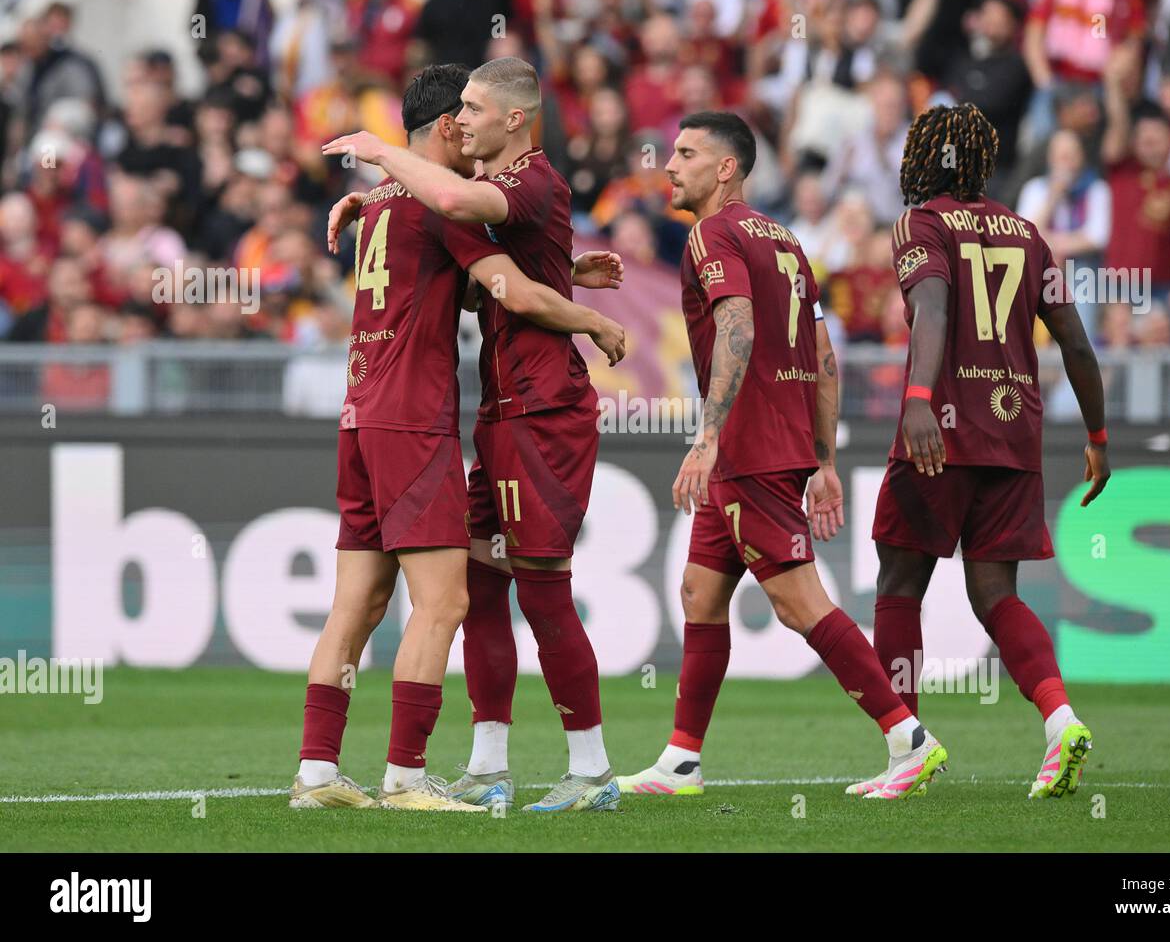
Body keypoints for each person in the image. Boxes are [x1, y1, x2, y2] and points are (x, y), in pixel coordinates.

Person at [293, 63, 624, 812]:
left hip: (360, 413)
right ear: (447, 126)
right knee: (444, 603)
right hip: (416, 420)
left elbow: (463, 282)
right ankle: (408, 778)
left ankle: (317, 775)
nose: (470, 122)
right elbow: (507, 288)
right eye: (464, 110)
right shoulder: (439, 199)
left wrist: (566, 273)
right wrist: (594, 318)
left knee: (359, 605)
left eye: (483, 107)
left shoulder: (382, 206)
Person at [616, 111, 948, 801]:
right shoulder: (787, 241)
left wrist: (706, 437)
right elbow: (823, 357)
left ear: (726, 169)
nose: (669, 166)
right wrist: (823, 460)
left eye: (685, 153)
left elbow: (735, 323)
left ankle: (907, 739)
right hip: (779, 442)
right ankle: (682, 760)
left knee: (800, 606)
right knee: (699, 594)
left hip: (748, 446)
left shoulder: (713, 234)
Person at [864, 102, 1110, 799]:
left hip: (940, 429)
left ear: (921, 158)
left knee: (900, 584)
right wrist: (1096, 438)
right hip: (1015, 435)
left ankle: (906, 746)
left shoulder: (921, 224)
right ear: (981, 161)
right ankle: (1060, 719)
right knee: (996, 591)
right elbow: (1076, 342)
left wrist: (917, 401)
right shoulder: (1027, 234)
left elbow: (934, 309)